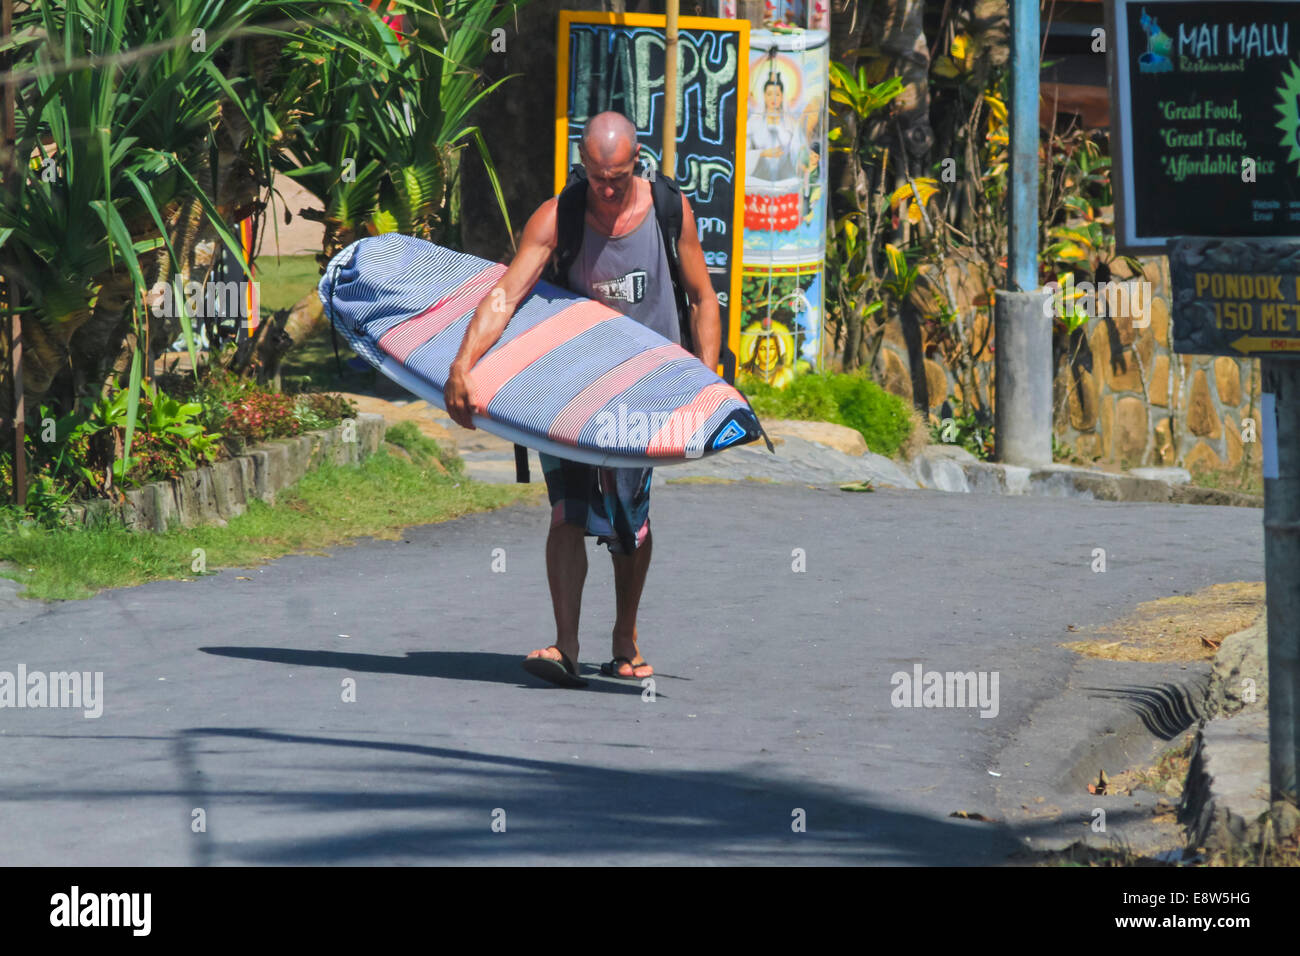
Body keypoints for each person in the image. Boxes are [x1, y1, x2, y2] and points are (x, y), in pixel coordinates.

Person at [443, 112, 720, 688]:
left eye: (618, 178)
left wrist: (705, 386)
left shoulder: (669, 210)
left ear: (636, 160)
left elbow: (701, 299)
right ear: (582, 166)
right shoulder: (558, 217)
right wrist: (462, 365)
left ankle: (624, 637)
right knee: (567, 511)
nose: (608, 190)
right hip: (569, 386)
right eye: (598, 178)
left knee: (629, 521)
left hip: (647, 390)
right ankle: (565, 647)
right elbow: (504, 296)